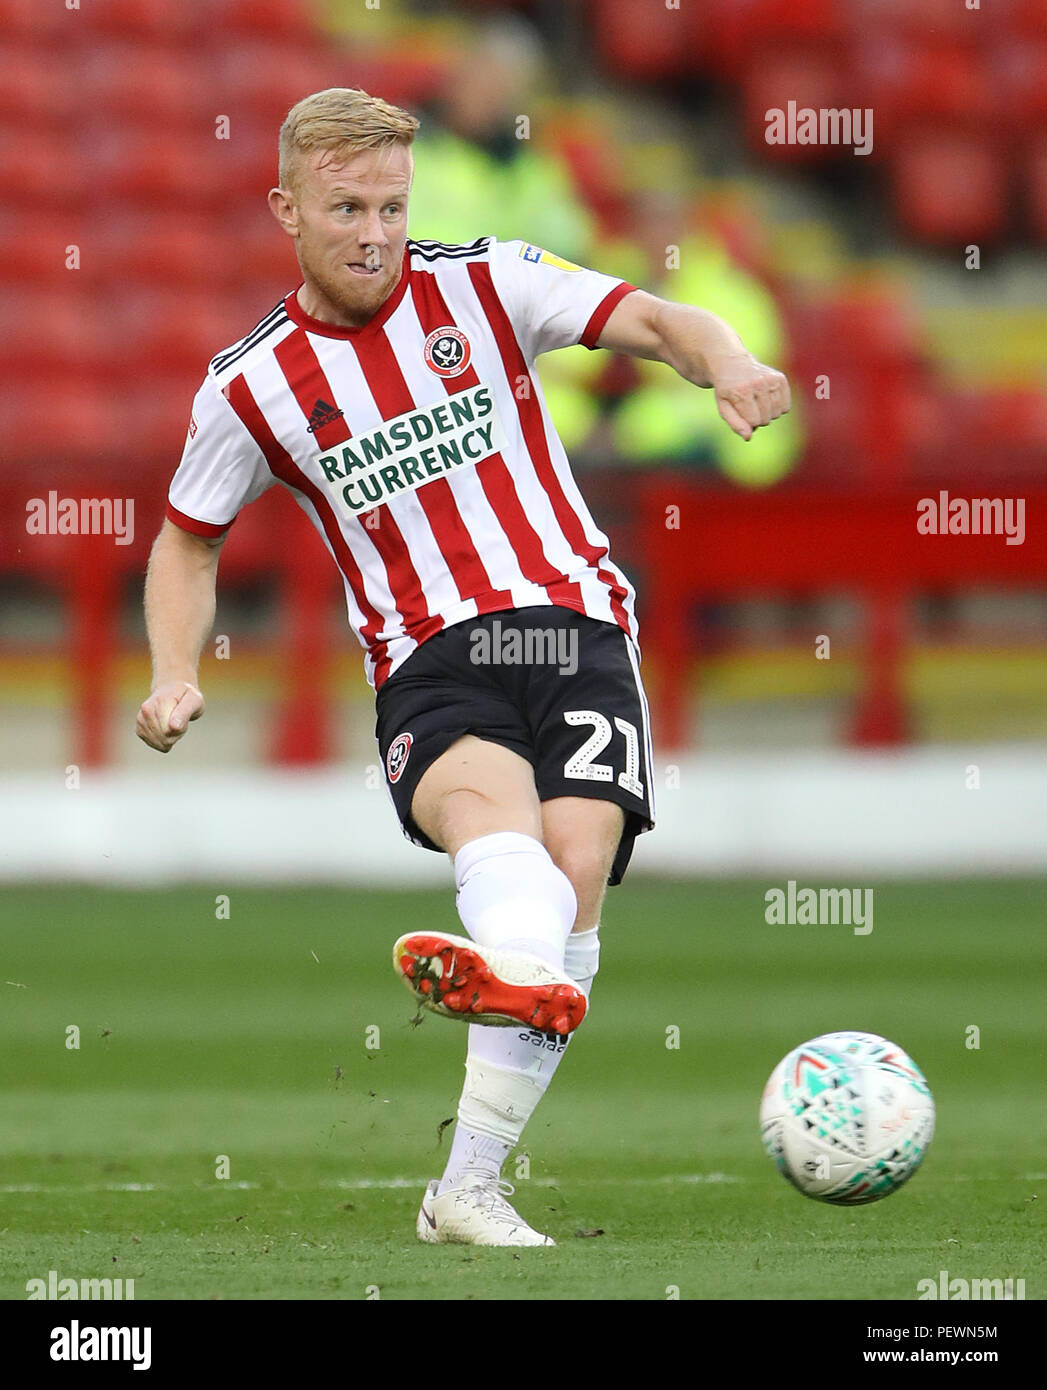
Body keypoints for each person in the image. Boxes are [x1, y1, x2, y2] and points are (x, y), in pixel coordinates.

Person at [136, 88, 790, 1248]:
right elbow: (189, 537)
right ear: (285, 206)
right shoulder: (250, 384)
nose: (375, 232)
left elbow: (651, 317)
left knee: (573, 868)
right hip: (428, 657)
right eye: (346, 208)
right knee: (504, 841)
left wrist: (728, 359)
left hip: (573, 622)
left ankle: (466, 1173)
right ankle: (492, 1088)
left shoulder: (489, 281)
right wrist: (172, 668)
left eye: (391, 205)